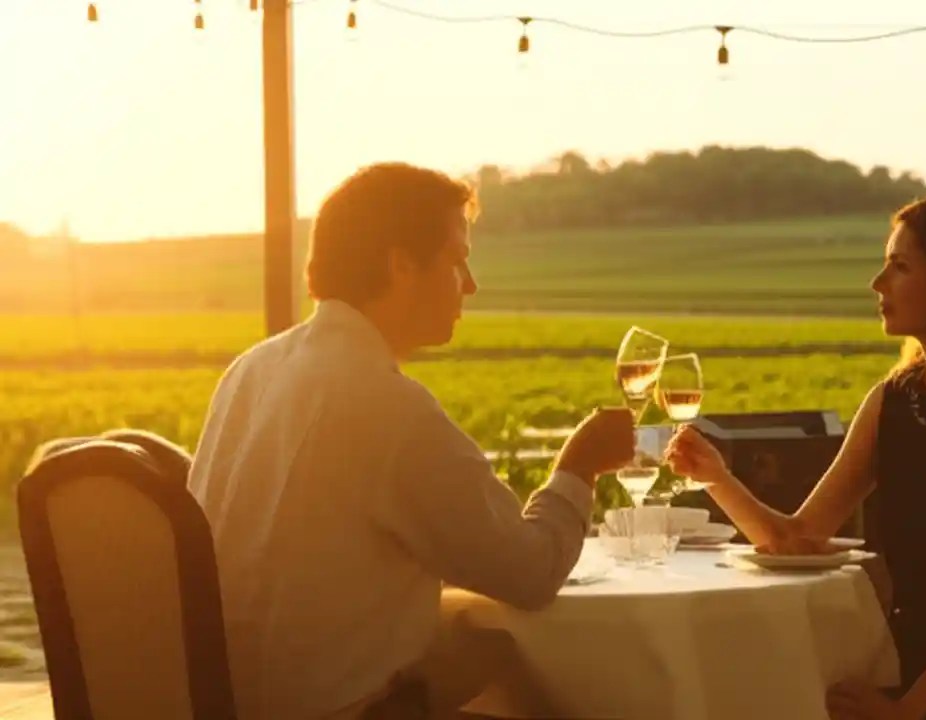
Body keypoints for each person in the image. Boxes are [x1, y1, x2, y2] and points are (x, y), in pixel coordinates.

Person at [187, 163, 635, 720]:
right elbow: (528, 573)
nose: (470, 284)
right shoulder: (384, 404)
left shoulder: (250, 371)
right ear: (401, 265)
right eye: (456, 259)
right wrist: (579, 466)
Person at [666, 194, 926, 719]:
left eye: (900, 266)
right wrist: (715, 477)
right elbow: (795, 539)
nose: (877, 283)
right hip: (909, 666)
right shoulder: (892, 400)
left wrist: (910, 710)